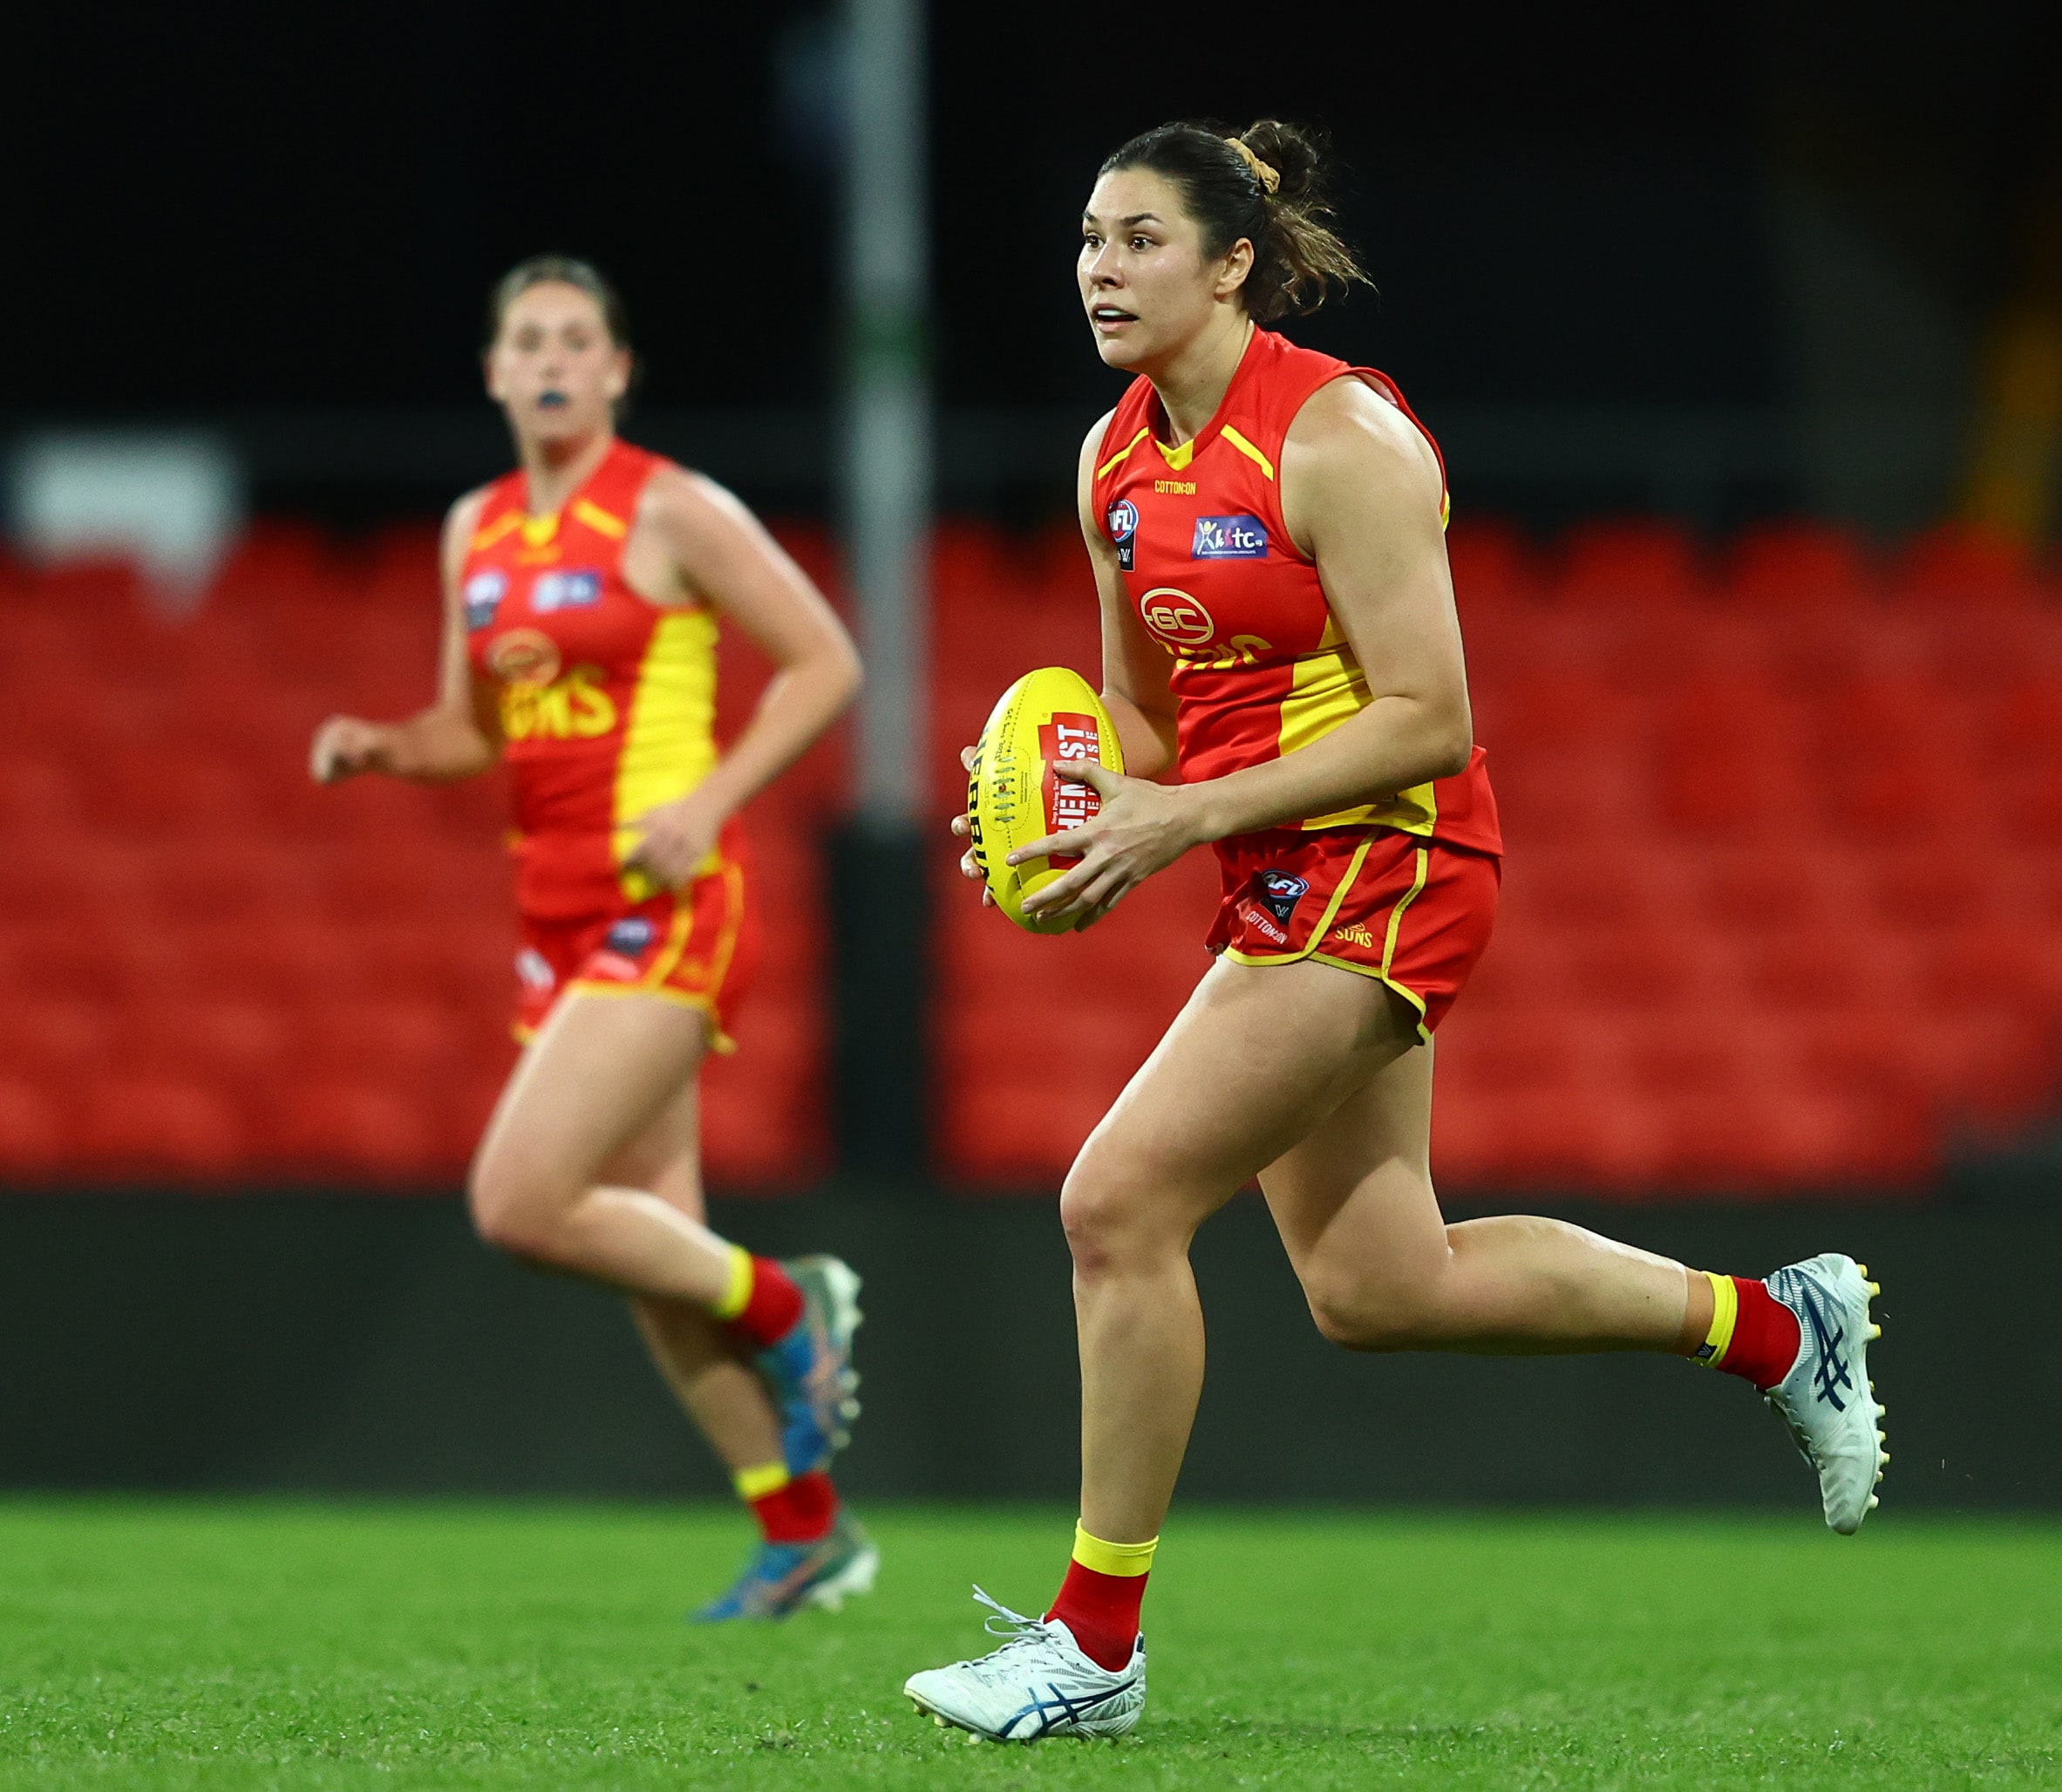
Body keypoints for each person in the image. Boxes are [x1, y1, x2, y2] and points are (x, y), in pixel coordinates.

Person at [904, 123, 1886, 1741]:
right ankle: (1778, 1324)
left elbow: (1431, 716)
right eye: (1087, 237)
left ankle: (1090, 1652)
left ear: (1231, 263)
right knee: (1380, 1286)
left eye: (1140, 239)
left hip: (1393, 857)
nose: (1098, 267)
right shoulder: (1113, 465)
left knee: (1114, 1206)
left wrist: (1184, 818)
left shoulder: (1338, 434)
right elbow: (1150, 727)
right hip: (1273, 865)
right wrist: (1078, 804)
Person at [310, 256, 876, 1620]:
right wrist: (387, 746)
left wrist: (711, 799)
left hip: (672, 894)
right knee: (641, 1236)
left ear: (617, 370)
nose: (553, 359)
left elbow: (827, 661)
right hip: (549, 908)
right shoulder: (477, 530)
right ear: (496, 371)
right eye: (528, 340)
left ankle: (794, 1307)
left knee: (522, 1202)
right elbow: (475, 729)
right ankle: (804, 1536)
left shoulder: (671, 506)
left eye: (578, 339)